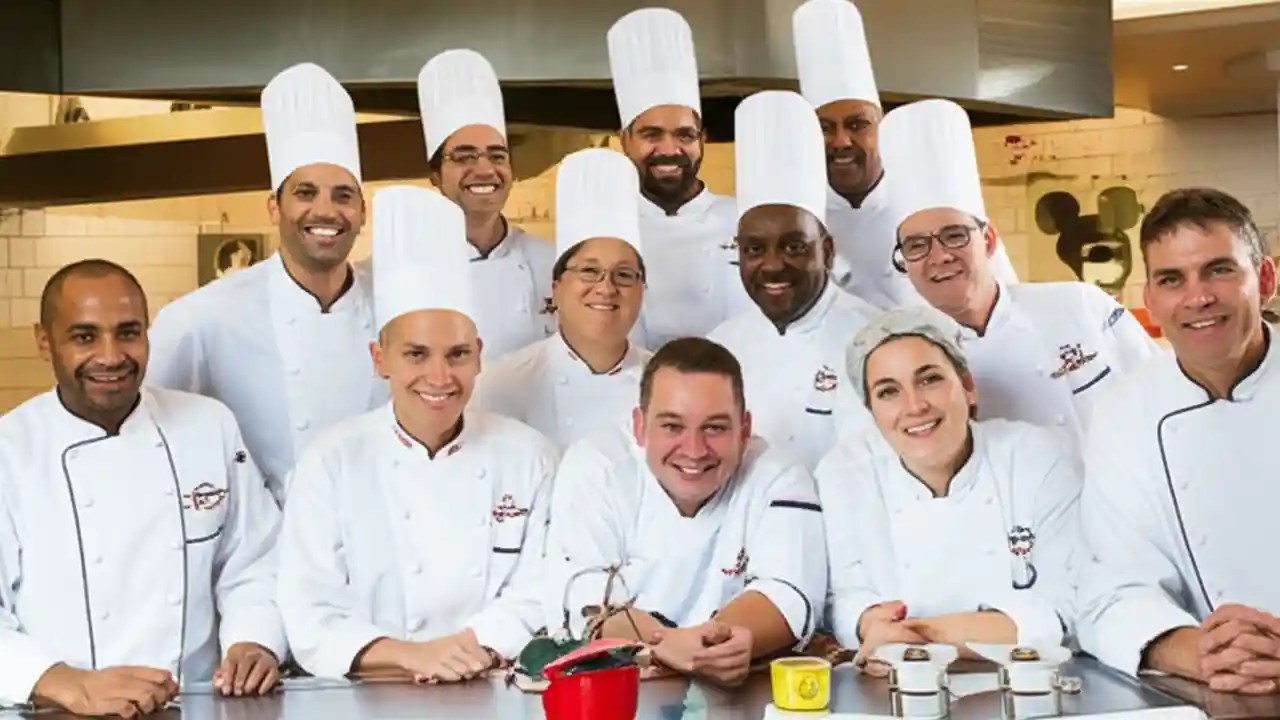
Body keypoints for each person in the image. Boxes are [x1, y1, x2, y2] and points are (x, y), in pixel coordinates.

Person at [276, 187, 557, 683]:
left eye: (457, 354)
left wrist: (463, 648)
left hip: (490, 685)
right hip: (369, 695)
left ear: (479, 354)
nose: (439, 376)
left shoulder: (529, 456)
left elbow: (544, 586)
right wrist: (409, 654)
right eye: (416, 354)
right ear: (379, 359)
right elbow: (309, 610)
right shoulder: (331, 462)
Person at [0, 260, 286, 716]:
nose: (111, 356)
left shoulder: (208, 425)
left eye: (128, 332)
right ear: (43, 341)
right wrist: (61, 682)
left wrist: (254, 641)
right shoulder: (10, 450)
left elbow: (253, 560)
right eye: (84, 336)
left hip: (193, 705)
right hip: (59, 712)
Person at [147, 63, 387, 503]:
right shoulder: (203, 318)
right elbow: (141, 426)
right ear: (274, 208)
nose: (326, 211)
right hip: (267, 557)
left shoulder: (395, 307)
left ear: (362, 212)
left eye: (343, 195)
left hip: (376, 549)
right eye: (305, 192)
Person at [1075, 188, 1280, 695]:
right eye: (1172, 279)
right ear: (1150, 301)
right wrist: (1198, 650)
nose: (1198, 298)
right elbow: (1110, 589)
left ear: (1267, 280)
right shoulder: (1124, 413)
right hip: (1218, 693)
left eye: (1219, 270)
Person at [878, 99, 1159, 449]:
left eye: (954, 235)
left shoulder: (1082, 306)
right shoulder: (910, 360)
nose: (939, 256)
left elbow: (1163, 398)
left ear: (989, 239)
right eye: (917, 245)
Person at [546, 337, 826, 687]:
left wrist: (713, 643)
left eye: (715, 428)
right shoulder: (595, 466)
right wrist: (665, 646)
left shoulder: (779, 476)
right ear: (639, 426)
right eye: (672, 426)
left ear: (744, 429)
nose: (694, 450)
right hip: (622, 687)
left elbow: (787, 589)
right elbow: (583, 598)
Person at [815, 306, 1082, 673]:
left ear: (968, 387)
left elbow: (1066, 604)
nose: (915, 406)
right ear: (872, 412)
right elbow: (847, 598)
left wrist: (921, 635)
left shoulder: (1037, 457)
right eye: (888, 391)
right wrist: (869, 624)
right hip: (900, 688)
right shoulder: (844, 473)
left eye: (929, 380)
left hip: (1027, 681)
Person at [791, 0, 1017, 310]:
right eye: (825, 128)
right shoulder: (800, 218)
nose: (841, 141)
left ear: (880, 127)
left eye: (857, 124)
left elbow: (1004, 303)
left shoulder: (936, 201)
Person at [708, 90, 877, 471]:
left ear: (828, 252)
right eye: (754, 249)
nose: (772, 266)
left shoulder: (876, 341)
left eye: (794, 247)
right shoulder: (718, 349)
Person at [471, 148, 650, 450]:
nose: (606, 288)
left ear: (641, 290)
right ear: (556, 288)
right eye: (589, 271)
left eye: (624, 274)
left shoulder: (667, 384)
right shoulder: (500, 385)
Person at [606, 7, 751, 347]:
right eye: (652, 134)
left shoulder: (744, 220)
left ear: (702, 140)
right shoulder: (609, 229)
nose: (669, 149)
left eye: (684, 135)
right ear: (625, 140)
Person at [416, 48, 554, 358]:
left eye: (497, 156)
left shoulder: (552, 263)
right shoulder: (406, 268)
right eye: (464, 157)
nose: (484, 170)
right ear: (436, 176)